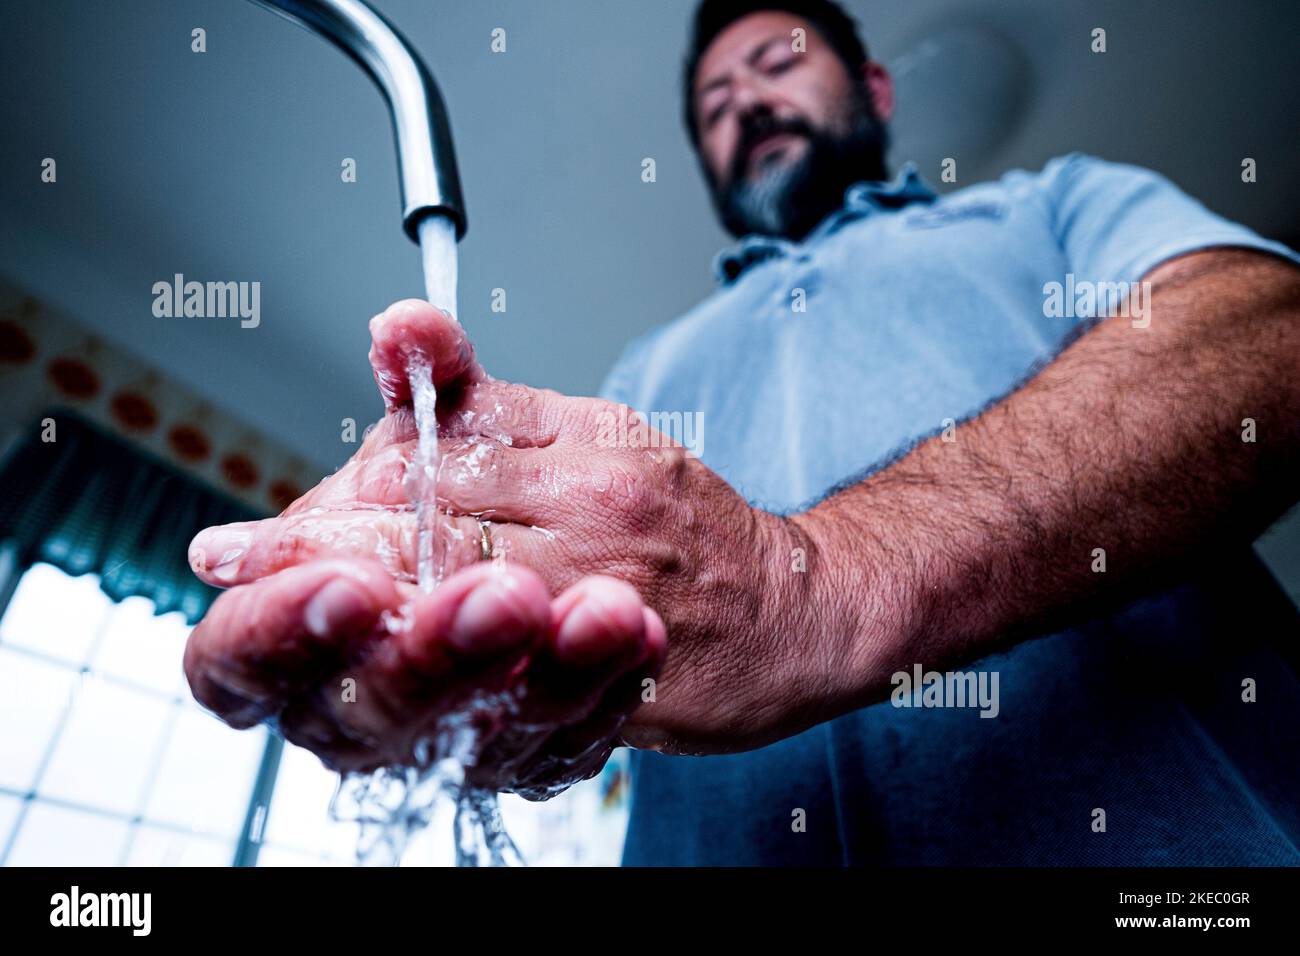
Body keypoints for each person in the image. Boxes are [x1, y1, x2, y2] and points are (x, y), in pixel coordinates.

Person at [185, 0, 1300, 864]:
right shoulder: (642, 375)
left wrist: (816, 583)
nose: (745, 107)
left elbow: (1270, 338)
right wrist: (471, 671)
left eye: (776, 66)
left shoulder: (1053, 203)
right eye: (714, 104)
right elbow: (591, 677)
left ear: (869, 86)